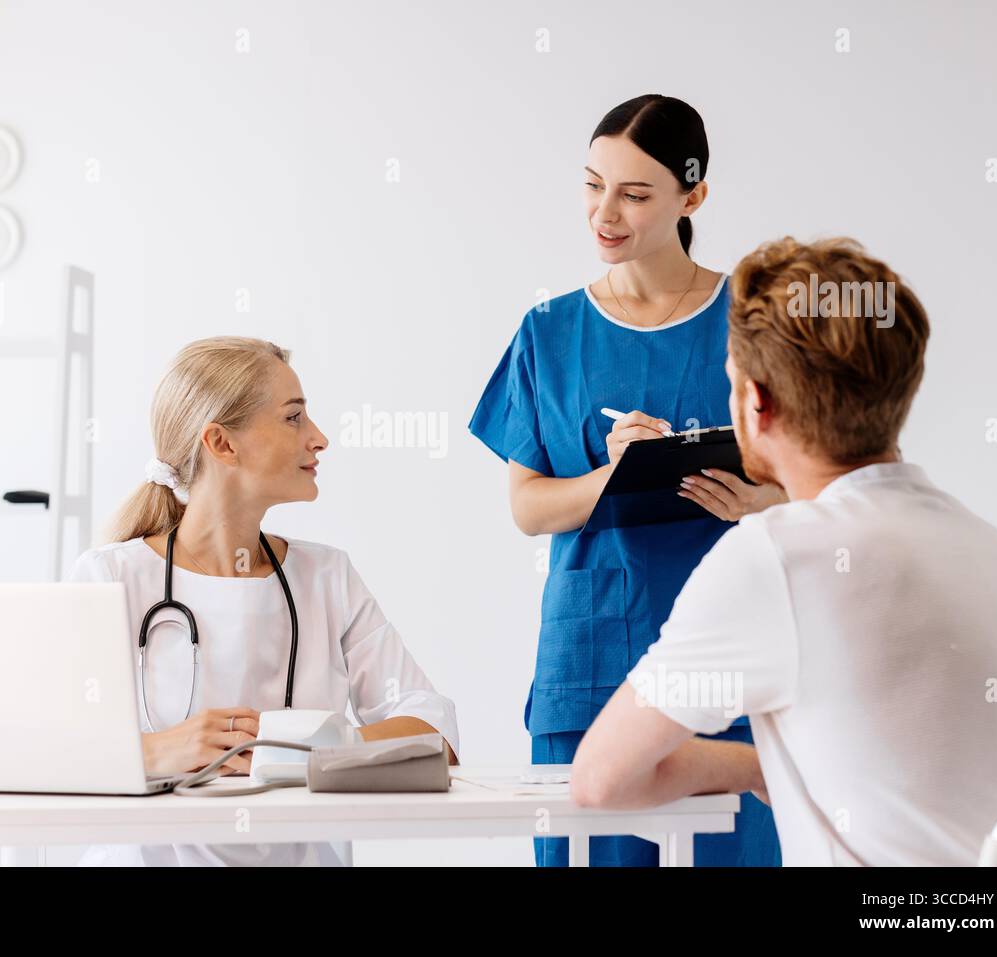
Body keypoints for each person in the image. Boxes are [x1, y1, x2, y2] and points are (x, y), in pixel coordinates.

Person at [571, 237, 997, 866]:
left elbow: (601, 780)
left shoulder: (776, 557)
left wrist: (749, 766)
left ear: (755, 403)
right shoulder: (989, 546)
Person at [468, 94, 782, 866]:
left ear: (693, 195)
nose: (605, 212)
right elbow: (528, 505)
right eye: (593, 185)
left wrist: (762, 500)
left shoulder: (756, 317)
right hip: (590, 671)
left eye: (636, 194)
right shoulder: (549, 331)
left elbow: (827, 482)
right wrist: (612, 475)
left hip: (733, 663)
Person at [69, 336, 460, 866]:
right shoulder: (109, 578)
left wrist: (296, 745)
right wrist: (161, 750)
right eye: (294, 418)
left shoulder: (326, 576)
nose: (319, 439)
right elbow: (51, 752)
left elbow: (434, 730)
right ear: (222, 444)